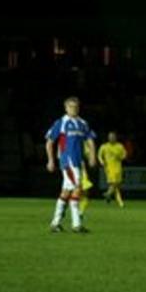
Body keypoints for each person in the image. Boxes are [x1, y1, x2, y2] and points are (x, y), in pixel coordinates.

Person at [45, 96, 97, 233]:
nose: (74, 109)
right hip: (67, 161)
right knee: (77, 188)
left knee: (66, 191)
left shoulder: (82, 123)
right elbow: (50, 142)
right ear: (66, 108)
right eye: (71, 107)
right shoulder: (61, 122)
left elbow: (90, 140)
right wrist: (50, 160)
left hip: (78, 161)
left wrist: (92, 156)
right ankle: (76, 224)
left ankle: (55, 223)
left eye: (76, 107)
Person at [98, 131, 128, 207]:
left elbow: (124, 155)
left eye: (113, 137)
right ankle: (114, 198)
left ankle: (109, 195)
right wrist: (101, 162)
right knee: (114, 184)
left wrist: (120, 157)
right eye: (110, 137)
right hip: (108, 168)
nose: (111, 138)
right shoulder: (104, 146)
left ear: (115, 138)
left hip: (118, 168)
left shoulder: (120, 146)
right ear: (108, 138)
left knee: (116, 186)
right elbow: (99, 155)